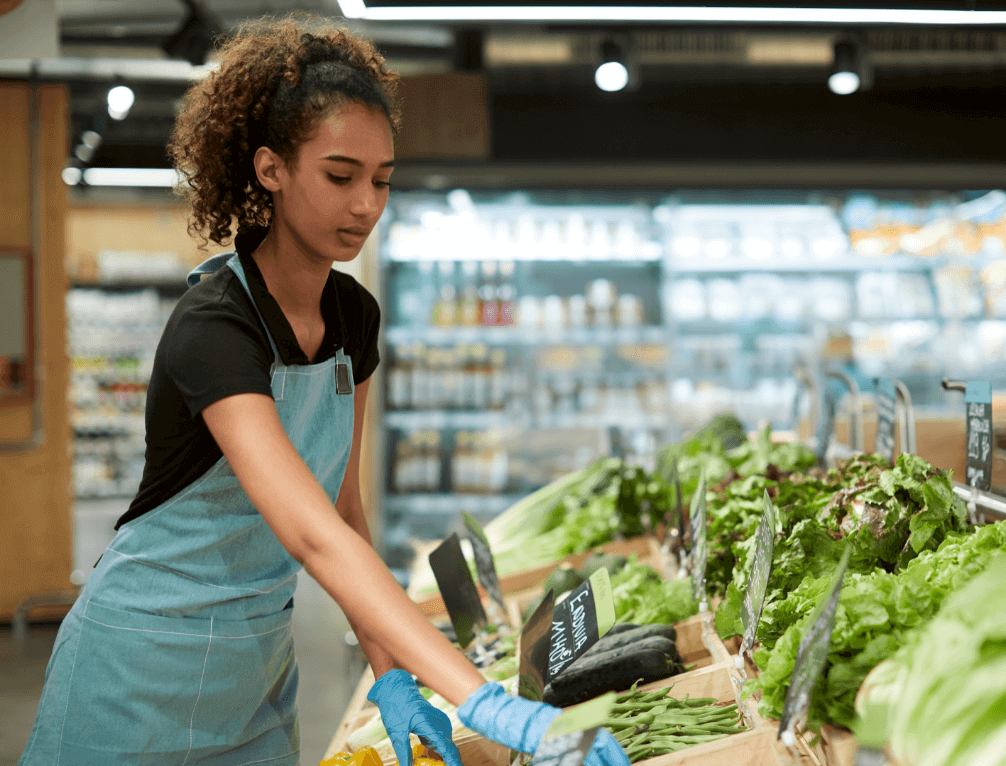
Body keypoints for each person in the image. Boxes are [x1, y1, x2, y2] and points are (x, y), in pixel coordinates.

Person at [19, 14, 630, 766]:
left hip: (256, 668)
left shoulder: (353, 316)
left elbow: (343, 512)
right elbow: (310, 536)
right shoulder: (215, 325)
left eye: (381, 180)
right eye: (340, 177)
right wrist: (485, 703)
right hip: (138, 661)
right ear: (270, 170)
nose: (366, 204)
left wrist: (391, 673)